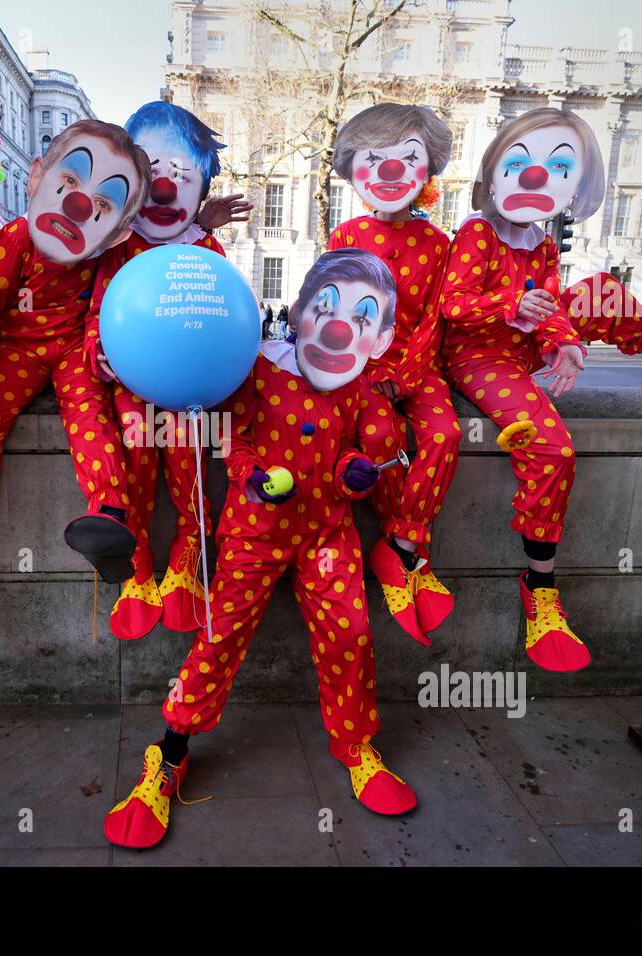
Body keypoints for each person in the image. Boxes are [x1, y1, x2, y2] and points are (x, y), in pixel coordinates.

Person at [105, 249, 414, 850]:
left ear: (379, 335)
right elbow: (237, 437)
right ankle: (169, 754)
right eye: (323, 307)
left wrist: (356, 470)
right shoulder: (260, 371)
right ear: (298, 312)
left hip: (327, 533)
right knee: (218, 639)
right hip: (254, 533)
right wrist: (250, 475)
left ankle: (356, 744)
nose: (337, 325)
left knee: (349, 635)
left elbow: (358, 449)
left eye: (361, 315)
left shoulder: (359, 385)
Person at [441, 107, 642, 672]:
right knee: (553, 449)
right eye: (520, 164)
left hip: (521, 345)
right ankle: (540, 587)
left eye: (558, 170)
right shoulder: (476, 233)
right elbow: (453, 305)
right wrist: (509, 306)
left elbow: (550, 302)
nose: (537, 177)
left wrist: (560, 341)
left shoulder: (540, 240)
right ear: (494, 177)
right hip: (480, 354)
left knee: (603, 292)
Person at [0, 119, 153, 645]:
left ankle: (110, 514)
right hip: (15, 350)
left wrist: (97, 349)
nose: (80, 205)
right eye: (70, 182)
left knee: (91, 417)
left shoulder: (105, 256)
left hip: (69, 351)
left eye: (105, 204)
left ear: (119, 229)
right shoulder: (1, 241)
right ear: (38, 174)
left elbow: (102, 310)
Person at [85, 100, 251, 640]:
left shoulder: (206, 247)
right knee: (133, 448)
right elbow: (98, 309)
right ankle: (136, 569)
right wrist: (99, 352)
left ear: (200, 188)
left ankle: (187, 559)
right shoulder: (114, 244)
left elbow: (221, 311)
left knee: (187, 455)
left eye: (180, 175)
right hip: (132, 383)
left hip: (191, 389)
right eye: (153, 173)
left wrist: (199, 230)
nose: (163, 188)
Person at [329, 102, 458, 645]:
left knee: (446, 434)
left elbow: (436, 317)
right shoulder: (345, 235)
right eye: (375, 158)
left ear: (425, 171)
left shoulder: (439, 244)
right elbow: (333, 310)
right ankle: (402, 552)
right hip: (363, 363)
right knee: (382, 436)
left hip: (416, 365)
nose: (389, 171)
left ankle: (402, 546)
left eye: (405, 158)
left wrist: (408, 372)